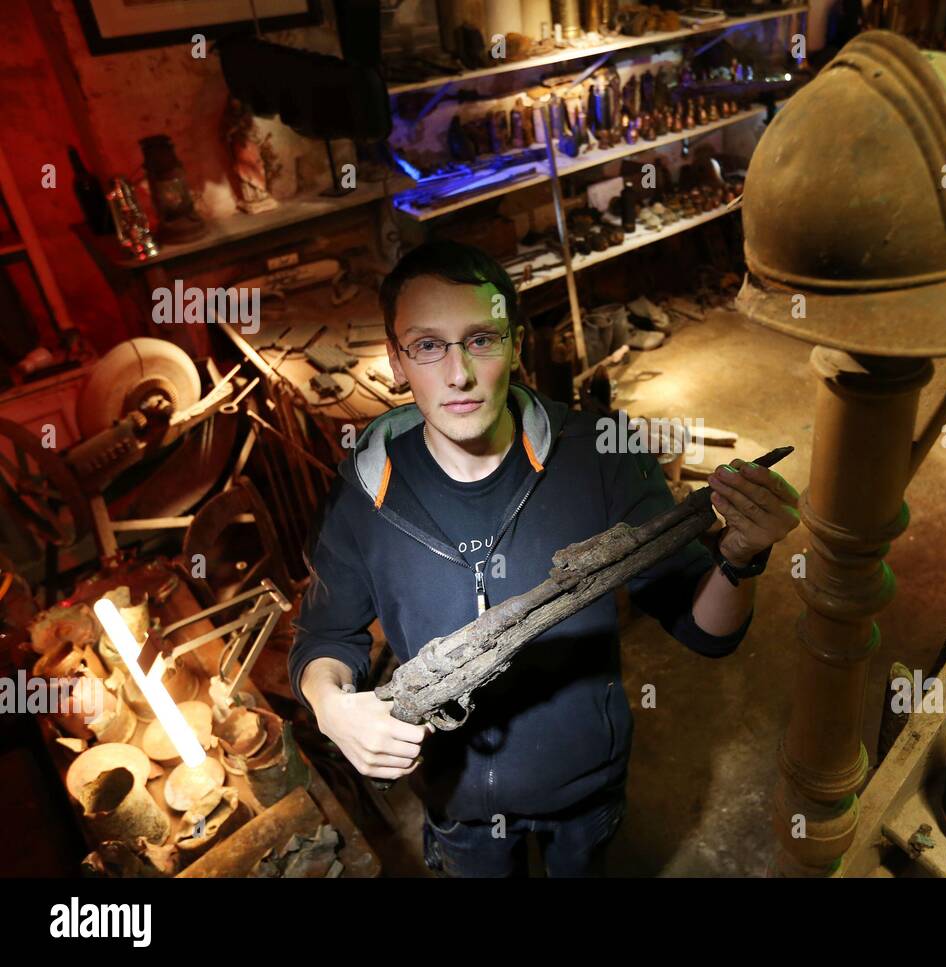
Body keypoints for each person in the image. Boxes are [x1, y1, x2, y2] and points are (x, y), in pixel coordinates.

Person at [290, 239, 800, 876]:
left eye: (481, 339)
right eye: (427, 346)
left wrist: (743, 555)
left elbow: (704, 630)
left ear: (516, 345)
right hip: (457, 804)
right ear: (396, 359)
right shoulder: (364, 492)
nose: (458, 375)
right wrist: (333, 707)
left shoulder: (600, 457)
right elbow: (324, 637)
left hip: (584, 790)